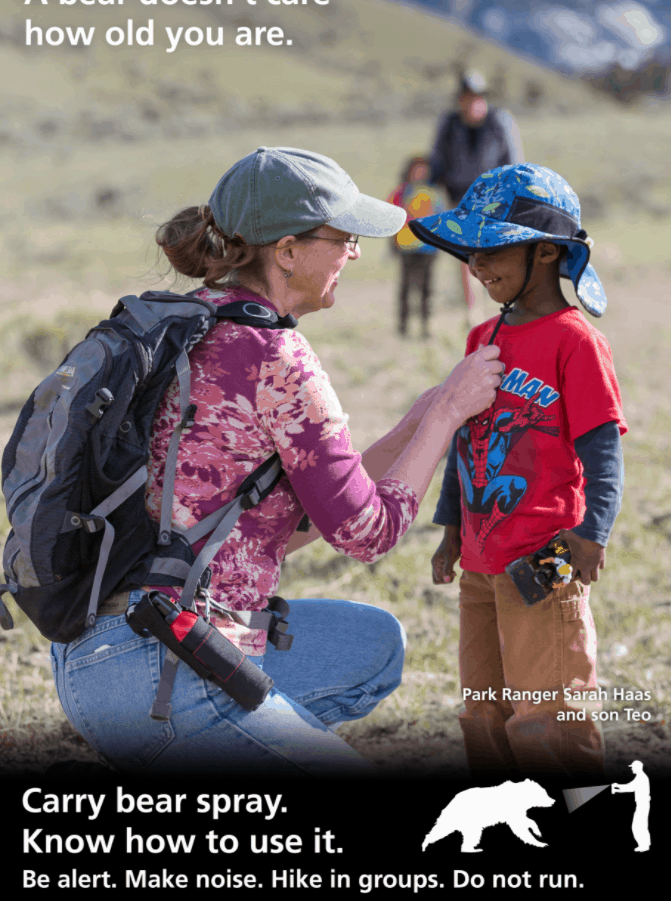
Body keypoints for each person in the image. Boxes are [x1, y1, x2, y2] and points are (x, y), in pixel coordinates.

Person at [50, 145, 503, 777]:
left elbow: (298, 525)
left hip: (90, 658)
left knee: (374, 646)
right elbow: (369, 533)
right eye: (342, 237)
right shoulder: (276, 357)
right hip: (167, 667)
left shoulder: (186, 326)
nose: (355, 252)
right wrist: (451, 414)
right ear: (286, 251)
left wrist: (418, 423)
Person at [409, 162, 627, 782]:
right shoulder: (485, 334)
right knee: (483, 712)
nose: (477, 265)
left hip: (544, 559)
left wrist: (594, 533)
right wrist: (450, 526)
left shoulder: (574, 342)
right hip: (480, 563)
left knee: (548, 716)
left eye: (492, 248)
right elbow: (463, 438)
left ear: (546, 252)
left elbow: (603, 452)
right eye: (471, 251)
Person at [429, 71, 525, 324]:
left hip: (494, 198)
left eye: (476, 97)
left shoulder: (500, 122)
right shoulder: (449, 124)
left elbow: (513, 161)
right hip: (460, 197)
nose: (471, 103)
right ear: (459, 100)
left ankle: (507, 309)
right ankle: (473, 313)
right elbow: (437, 158)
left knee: (499, 254)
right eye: (466, 98)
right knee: (468, 258)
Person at [387, 156, 444, 337]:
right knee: (405, 289)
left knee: (427, 289)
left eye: (423, 169)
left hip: (428, 248)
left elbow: (441, 218)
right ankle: (403, 327)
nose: (420, 173)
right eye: (416, 169)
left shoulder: (434, 191)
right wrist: (392, 243)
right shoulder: (401, 192)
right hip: (405, 246)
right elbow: (391, 216)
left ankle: (426, 326)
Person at [612, 760, 651, 852]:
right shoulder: (640, 777)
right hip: (643, 804)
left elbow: (629, 788)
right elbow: (630, 786)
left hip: (642, 804)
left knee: (637, 826)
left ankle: (644, 846)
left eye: (633, 767)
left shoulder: (641, 777)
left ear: (637, 767)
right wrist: (618, 786)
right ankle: (646, 844)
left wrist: (617, 788)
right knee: (642, 825)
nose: (632, 769)